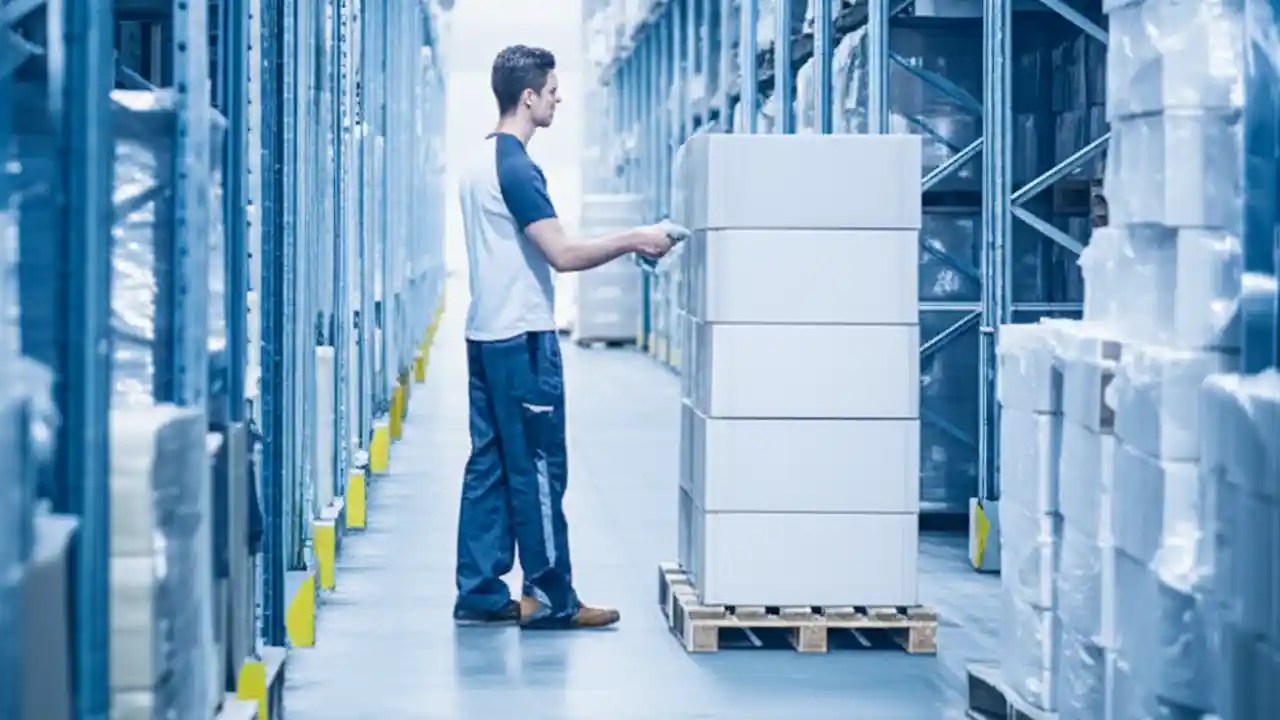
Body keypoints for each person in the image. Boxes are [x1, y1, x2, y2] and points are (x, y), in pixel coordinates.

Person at [453, 44, 683, 630]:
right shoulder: (516, 167)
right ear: (526, 97)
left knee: (490, 464)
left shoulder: (478, 161)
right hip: (523, 342)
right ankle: (552, 596)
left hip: (485, 334)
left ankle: (480, 592)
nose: (558, 97)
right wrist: (639, 237)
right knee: (537, 466)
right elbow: (563, 254)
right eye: (552, 90)